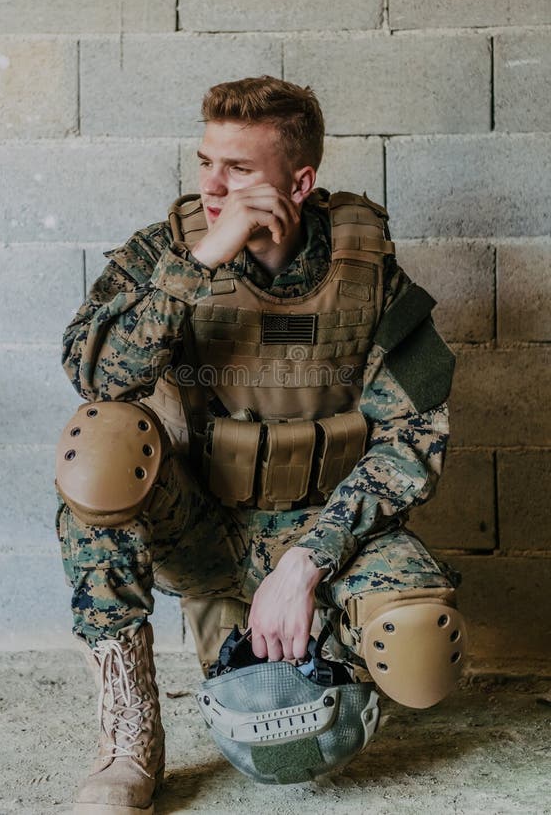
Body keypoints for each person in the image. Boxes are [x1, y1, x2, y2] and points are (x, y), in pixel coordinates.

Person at [55, 76, 465, 815]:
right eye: (206, 160)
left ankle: (317, 658)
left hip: (325, 530)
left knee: (419, 647)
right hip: (205, 527)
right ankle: (128, 738)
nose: (213, 183)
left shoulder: (365, 270)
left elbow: (415, 433)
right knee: (100, 455)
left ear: (300, 182)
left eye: (239, 169)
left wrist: (310, 560)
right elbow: (98, 376)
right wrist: (198, 266)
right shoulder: (166, 252)